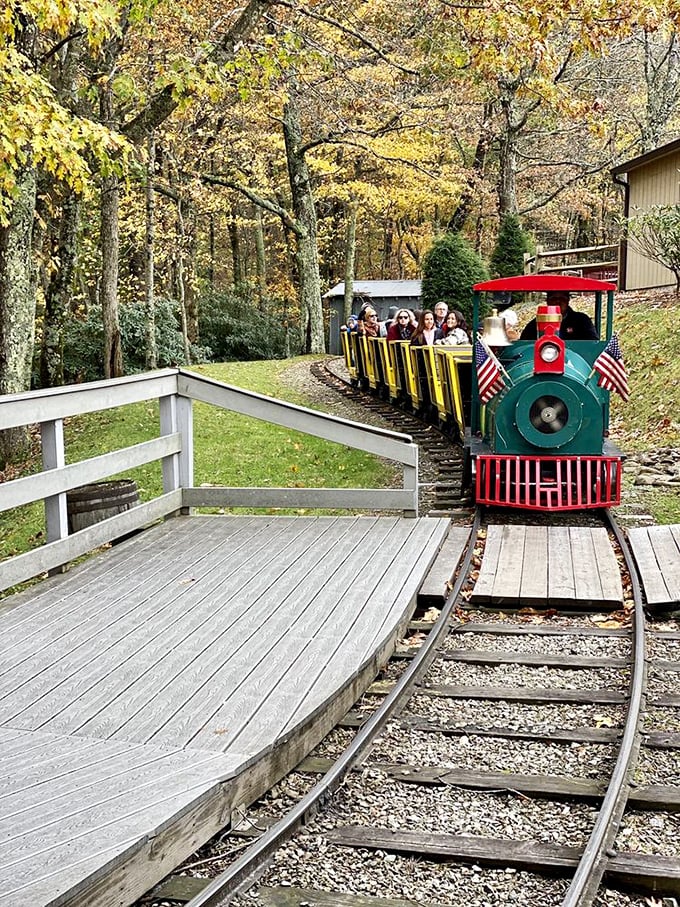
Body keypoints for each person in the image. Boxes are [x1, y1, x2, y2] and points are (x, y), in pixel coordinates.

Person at [520, 290, 598, 340]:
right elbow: (524, 344)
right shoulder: (534, 325)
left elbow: (593, 343)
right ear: (547, 301)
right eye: (554, 299)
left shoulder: (581, 321)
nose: (558, 302)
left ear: (568, 300)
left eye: (562, 299)